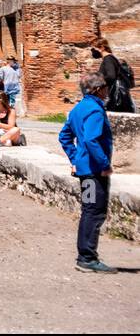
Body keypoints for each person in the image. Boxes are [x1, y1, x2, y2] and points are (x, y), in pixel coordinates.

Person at [59, 73, 115, 274]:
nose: (108, 91)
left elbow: (64, 136)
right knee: (94, 211)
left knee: (88, 210)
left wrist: (75, 159)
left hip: (85, 170)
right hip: (94, 172)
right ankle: (87, 258)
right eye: (106, 87)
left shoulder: (78, 108)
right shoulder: (95, 110)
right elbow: (92, 140)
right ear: (98, 89)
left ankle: (86, 255)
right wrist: (105, 164)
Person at [92, 38, 135, 114]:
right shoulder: (110, 59)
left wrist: (98, 82)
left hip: (115, 95)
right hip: (115, 94)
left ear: (102, 47)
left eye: (94, 49)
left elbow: (111, 76)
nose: (93, 51)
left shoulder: (108, 59)